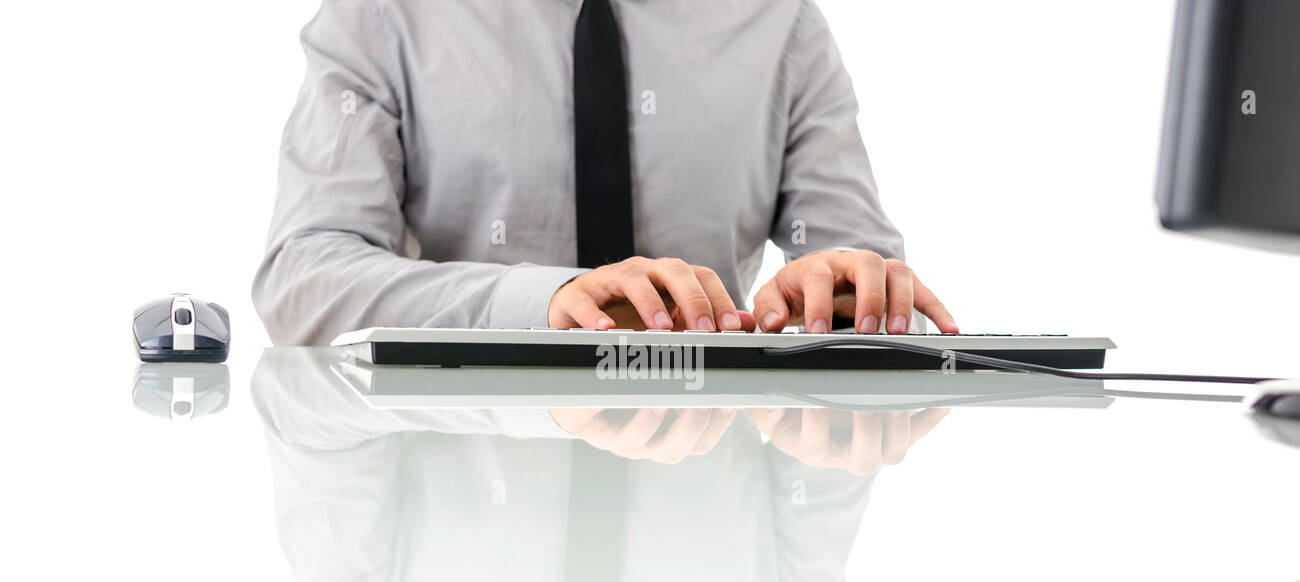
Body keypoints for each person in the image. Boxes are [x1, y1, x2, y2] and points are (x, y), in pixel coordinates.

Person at [254, 0, 958, 345]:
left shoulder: (779, 20)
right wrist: (541, 303)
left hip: (707, 519)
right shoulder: (383, 14)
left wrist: (843, 293)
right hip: (461, 492)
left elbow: (862, 274)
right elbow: (305, 276)